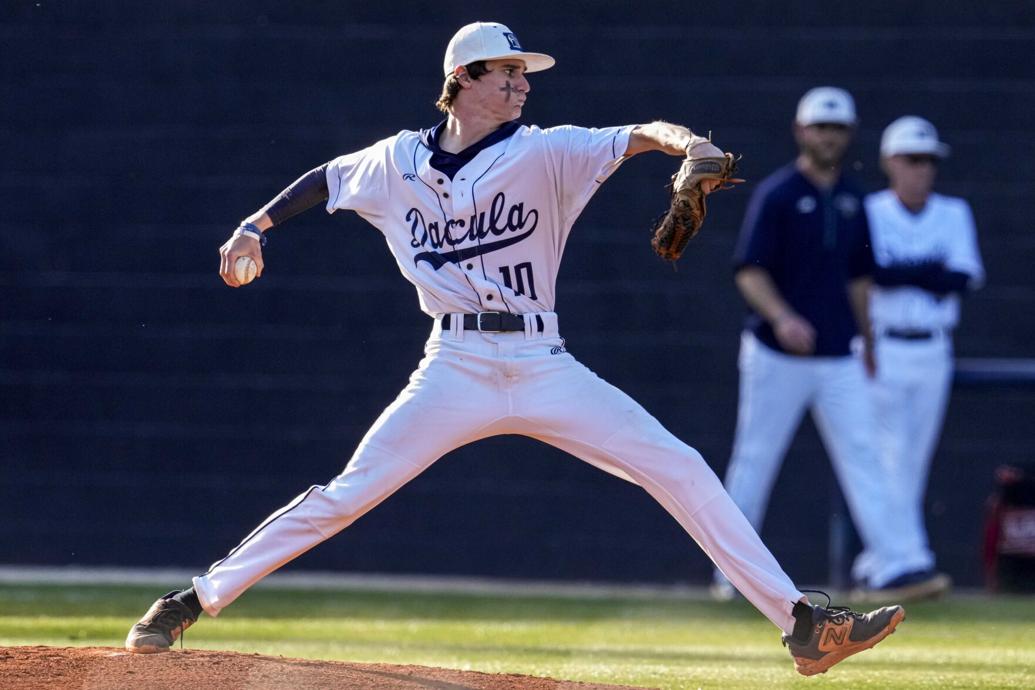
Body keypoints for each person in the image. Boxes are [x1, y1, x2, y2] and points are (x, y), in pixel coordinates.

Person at [124, 25, 904, 675]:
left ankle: (802, 624)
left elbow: (642, 134)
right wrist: (254, 227)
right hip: (453, 367)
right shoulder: (395, 161)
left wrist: (691, 147)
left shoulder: (545, 150)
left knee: (678, 466)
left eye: (524, 74)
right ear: (462, 79)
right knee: (345, 495)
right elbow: (325, 179)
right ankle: (191, 600)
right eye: (507, 72)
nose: (523, 84)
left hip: (542, 362)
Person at [713, 87, 921, 600]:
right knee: (756, 459)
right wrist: (783, 317)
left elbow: (859, 278)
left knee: (864, 454)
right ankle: (731, 574)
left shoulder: (853, 198)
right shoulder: (778, 194)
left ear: (849, 135)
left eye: (837, 128)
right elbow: (748, 272)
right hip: (775, 354)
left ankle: (896, 566)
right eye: (820, 127)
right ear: (801, 131)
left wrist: (868, 340)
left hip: (838, 356)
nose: (828, 136)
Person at [850, 116, 984, 601]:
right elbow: (873, 274)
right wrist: (927, 271)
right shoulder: (871, 210)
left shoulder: (953, 212)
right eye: (911, 159)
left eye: (928, 160)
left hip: (933, 347)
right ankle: (907, 559)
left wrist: (906, 272)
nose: (921, 169)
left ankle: (879, 561)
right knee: (890, 458)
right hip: (881, 345)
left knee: (912, 460)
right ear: (890, 162)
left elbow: (962, 277)